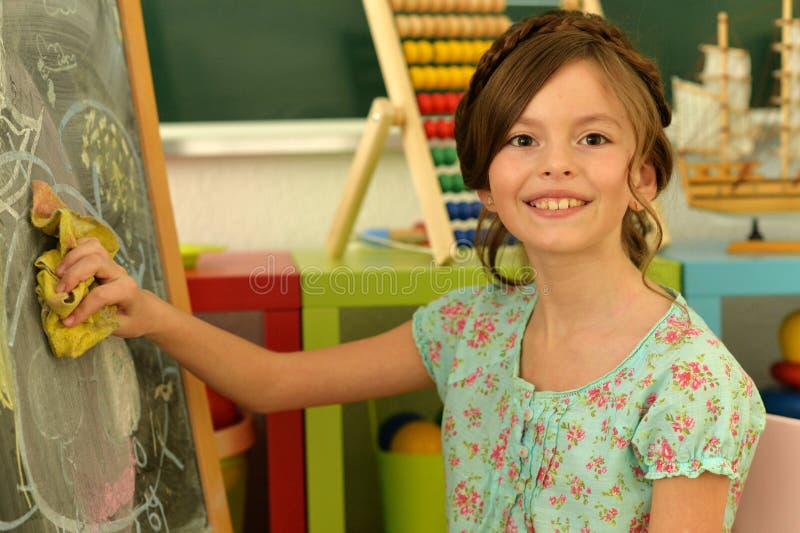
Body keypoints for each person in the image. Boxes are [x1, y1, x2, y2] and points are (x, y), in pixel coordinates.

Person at [56, 10, 764, 532]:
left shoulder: (689, 381)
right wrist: (146, 312)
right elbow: (274, 383)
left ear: (643, 176)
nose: (557, 162)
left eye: (593, 137)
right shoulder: (470, 328)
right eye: (523, 138)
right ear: (485, 185)